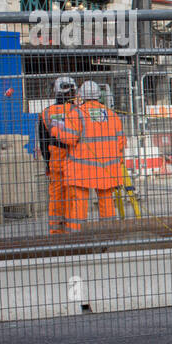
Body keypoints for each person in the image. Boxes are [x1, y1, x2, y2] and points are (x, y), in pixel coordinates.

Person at [51, 81, 126, 231]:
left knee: (79, 205)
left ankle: (76, 237)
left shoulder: (77, 114)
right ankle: (108, 235)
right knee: (107, 202)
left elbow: (70, 138)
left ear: (81, 96)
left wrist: (55, 130)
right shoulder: (111, 114)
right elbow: (121, 142)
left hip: (82, 171)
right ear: (99, 95)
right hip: (106, 169)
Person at [37, 77, 78, 234]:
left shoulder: (46, 113)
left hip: (55, 160)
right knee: (73, 195)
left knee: (55, 196)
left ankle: (55, 232)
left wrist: (47, 163)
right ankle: (72, 230)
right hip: (74, 159)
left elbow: (43, 142)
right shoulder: (77, 111)